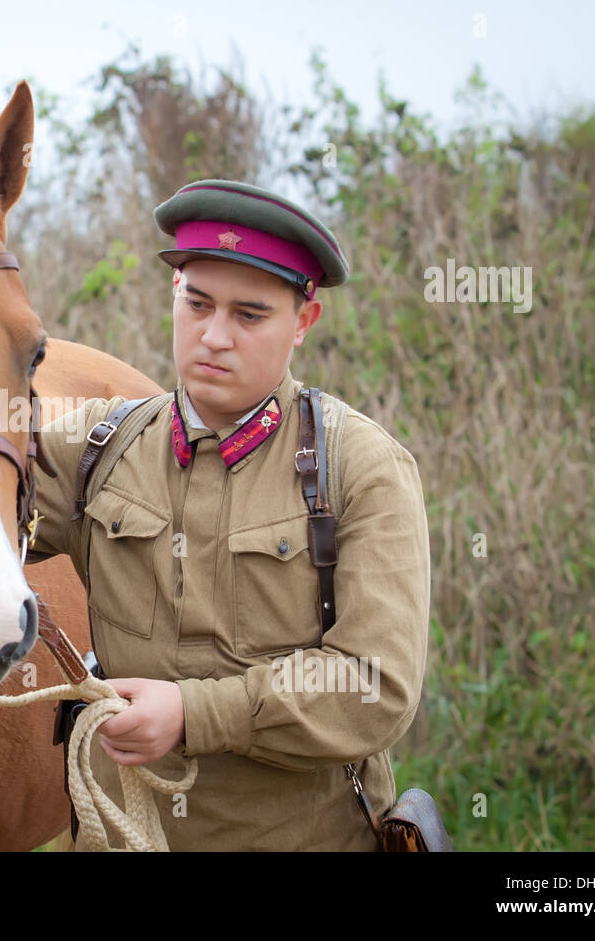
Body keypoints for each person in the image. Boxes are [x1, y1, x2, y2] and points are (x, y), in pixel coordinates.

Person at [29, 179, 431, 850]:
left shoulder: (362, 468)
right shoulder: (96, 447)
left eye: (250, 315)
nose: (214, 337)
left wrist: (191, 714)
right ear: (174, 296)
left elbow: (374, 685)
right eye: (198, 303)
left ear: (303, 322)